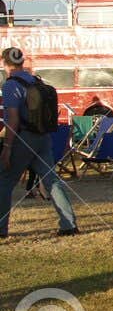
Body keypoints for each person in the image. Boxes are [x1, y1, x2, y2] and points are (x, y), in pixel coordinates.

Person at [0, 46, 77, 238]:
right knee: (51, 179)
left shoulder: (10, 85)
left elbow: (13, 119)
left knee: (5, 181)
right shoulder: (34, 80)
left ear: (4, 62)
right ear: (22, 61)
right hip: (43, 137)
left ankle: (1, 229)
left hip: (24, 138)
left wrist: (7, 147)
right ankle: (69, 224)